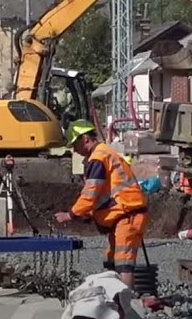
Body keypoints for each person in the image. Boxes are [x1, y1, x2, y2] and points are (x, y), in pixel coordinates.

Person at [54, 120, 149, 289]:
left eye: (74, 144)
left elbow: (90, 193)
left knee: (123, 263)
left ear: (85, 139)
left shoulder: (99, 157)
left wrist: (71, 214)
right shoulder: (104, 154)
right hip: (122, 212)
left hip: (128, 212)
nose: (74, 150)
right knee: (111, 260)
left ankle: (124, 306)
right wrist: (92, 215)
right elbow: (103, 194)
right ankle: (116, 298)